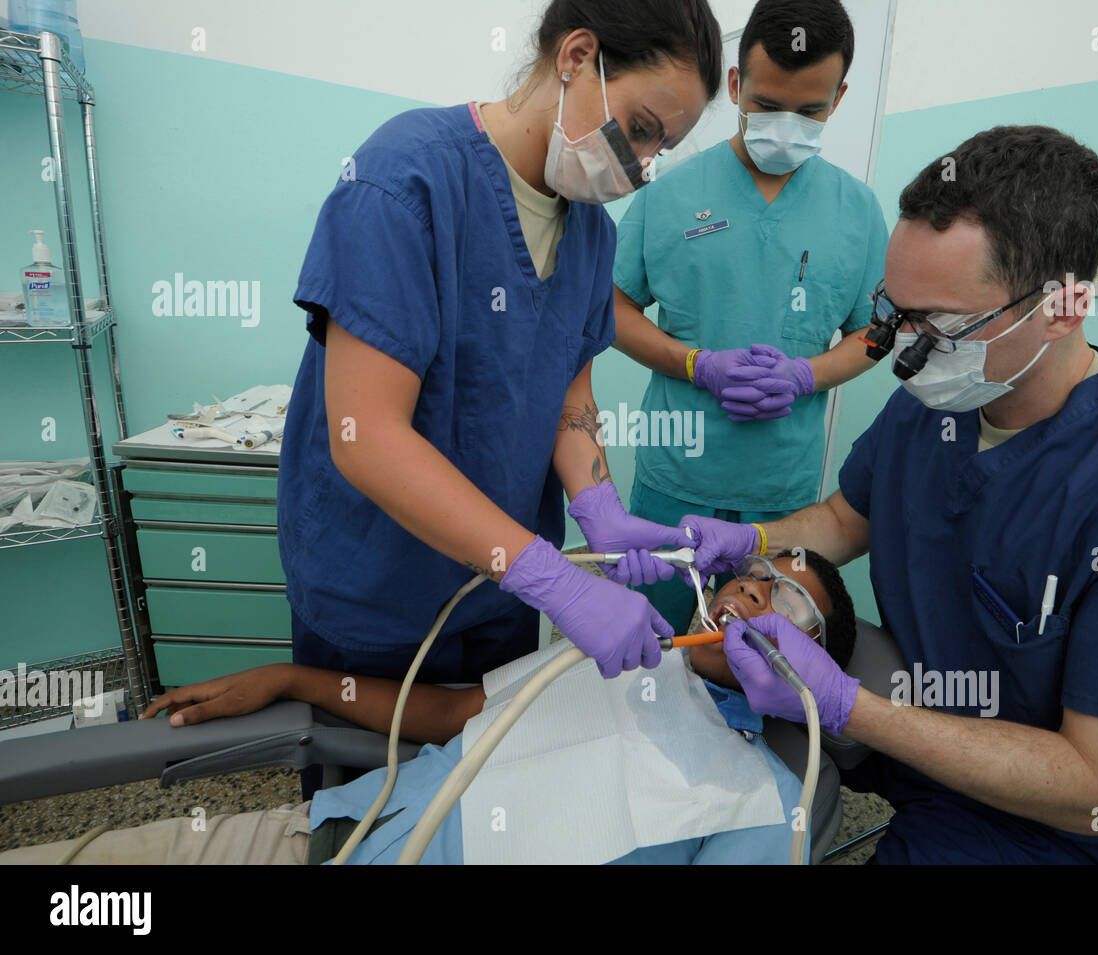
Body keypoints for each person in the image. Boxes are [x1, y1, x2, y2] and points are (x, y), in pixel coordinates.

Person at [680, 125, 1098, 864]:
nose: (902, 351)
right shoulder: (938, 403)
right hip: (921, 749)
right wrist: (752, 542)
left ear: (1061, 308)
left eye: (935, 324)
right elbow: (845, 516)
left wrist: (849, 707)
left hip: (1049, 832)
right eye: (893, 311)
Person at [276, 1, 722, 802]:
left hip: (497, 596)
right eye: (644, 126)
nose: (645, 162)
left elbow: (566, 384)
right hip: (379, 590)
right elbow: (365, 436)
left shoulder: (589, 231)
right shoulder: (402, 180)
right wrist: (555, 578)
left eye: (664, 146)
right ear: (578, 57)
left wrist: (600, 508)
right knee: (368, 812)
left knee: (479, 801)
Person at [0, 551, 855, 865]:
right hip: (325, 839)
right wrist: (297, 681)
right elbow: (451, 714)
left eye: (791, 605)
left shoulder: (759, 801)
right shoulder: (610, 651)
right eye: (758, 576)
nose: (755, 598)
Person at [611, 0, 889, 634]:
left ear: (839, 98)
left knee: (750, 657)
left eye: (810, 110)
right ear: (735, 85)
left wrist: (805, 376)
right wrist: (696, 365)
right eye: (766, 105)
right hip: (674, 476)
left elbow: (877, 332)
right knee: (651, 648)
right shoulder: (668, 192)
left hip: (784, 497)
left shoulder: (856, 210)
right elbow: (612, 306)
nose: (785, 125)